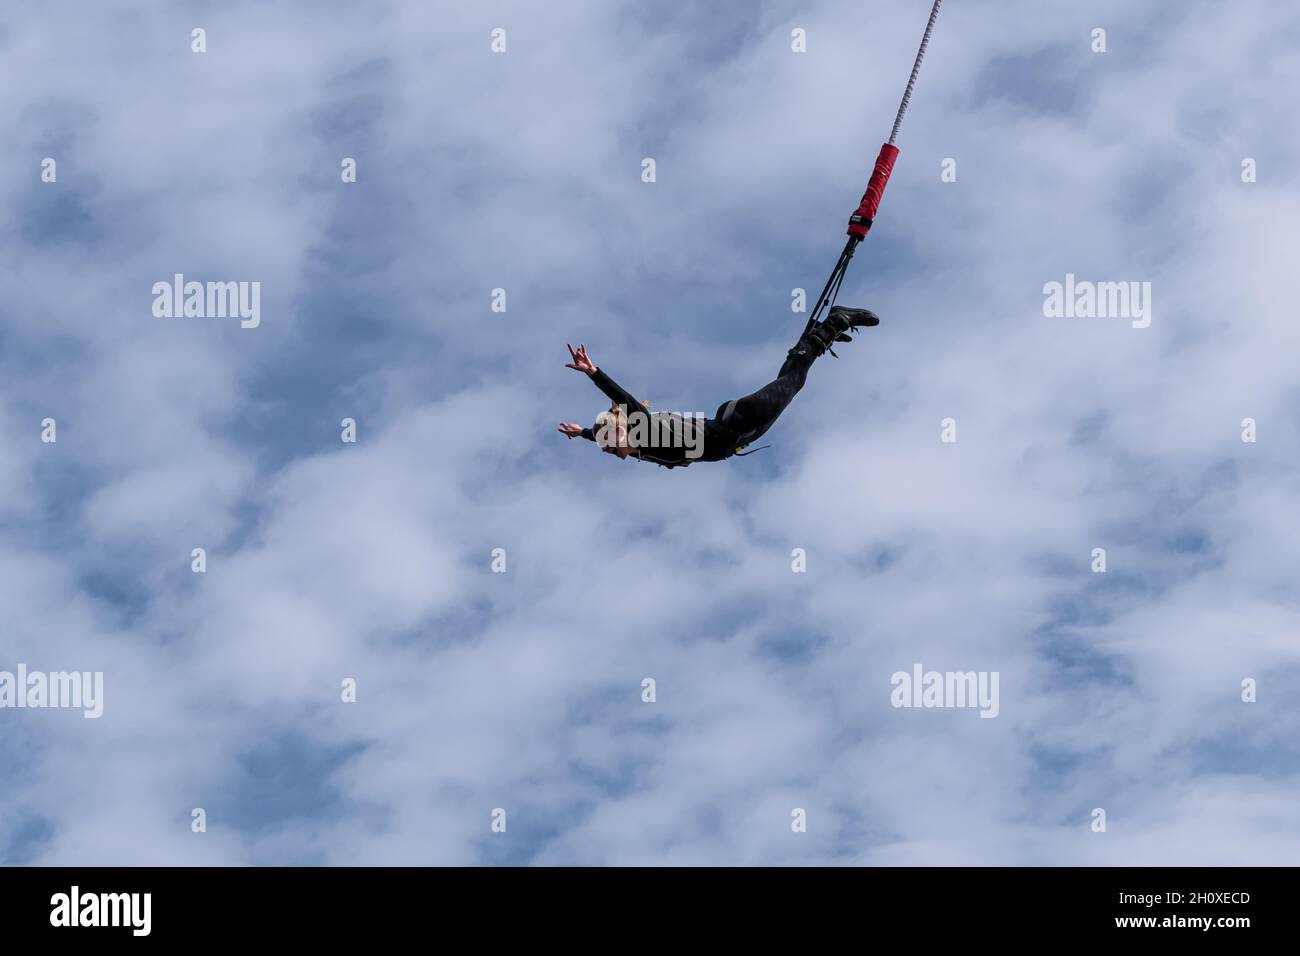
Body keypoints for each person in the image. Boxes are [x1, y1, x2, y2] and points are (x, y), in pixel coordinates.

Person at [557, 306, 879, 467]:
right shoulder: (641, 449)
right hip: (741, 438)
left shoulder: (644, 429)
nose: (614, 452)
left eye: (612, 444)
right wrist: (583, 432)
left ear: (624, 427)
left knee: (793, 383)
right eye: (609, 450)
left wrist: (592, 372)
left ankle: (834, 323)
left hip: (732, 423)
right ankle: (817, 337)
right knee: (791, 382)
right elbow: (604, 433)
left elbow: (621, 398)